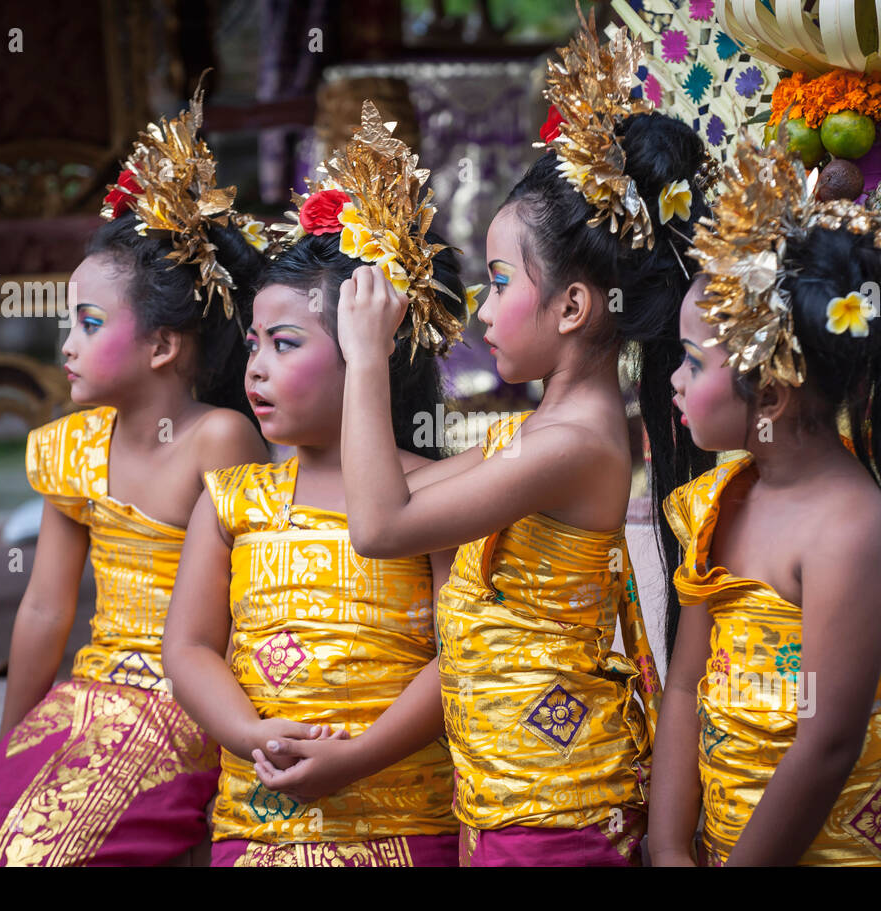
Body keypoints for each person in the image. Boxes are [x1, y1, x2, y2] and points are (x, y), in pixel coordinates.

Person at [257, 15, 711, 866]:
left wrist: (362, 361)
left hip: (555, 807)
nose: (483, 307)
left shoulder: (574, 444)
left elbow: (380, 525)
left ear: (574, 308)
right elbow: (408, 492)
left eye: (500, 282)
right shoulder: (538, 431)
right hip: (513, 798)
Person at [0, 88, 271, 865]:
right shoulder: (69, 447)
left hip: (182, 707)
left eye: (88, 324)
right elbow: (43, 613)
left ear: (164, 347)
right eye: (69, 320)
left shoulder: (220, 440)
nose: (65, 344)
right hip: (85, 698)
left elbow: (249, 619)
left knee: (27, 857)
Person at [161, 102, 470, 867]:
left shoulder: (437, 494)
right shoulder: (232, 498)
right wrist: (249, 733)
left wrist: (358, 755)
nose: (254, 368)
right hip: (257, 820)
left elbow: (460, 656)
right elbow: (190, 646)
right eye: (254, 344)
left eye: (286, 343)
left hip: (401, 821)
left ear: (371, 353)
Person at [648, 133, 881, 866]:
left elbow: (826, 745)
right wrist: (666, 850)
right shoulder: (720, 501)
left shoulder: (846, 533)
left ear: (775, 395)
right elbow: (688, 687)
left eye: (693, 362)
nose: (675, 381)